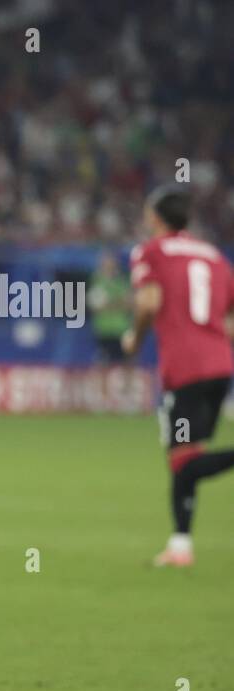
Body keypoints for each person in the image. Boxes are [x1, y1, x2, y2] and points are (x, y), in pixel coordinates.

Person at [122, 186, 234, 567]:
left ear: (154, 217)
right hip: (220, 369)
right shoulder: (215, 256)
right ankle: (181, 545)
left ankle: (180, 544)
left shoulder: (150, 252)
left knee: (183, 463)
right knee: (191, 458)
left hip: (186, 371)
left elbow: (149, 301)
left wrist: (134, 339)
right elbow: (229, 320)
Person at [88, 251, 132, 365]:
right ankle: (102, 384)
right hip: (103, 330)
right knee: (103, 363)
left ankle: (128, 383)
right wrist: (118, 303)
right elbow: (95, 307)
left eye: (110, 262)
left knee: (128, 361)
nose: (108, 265)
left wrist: (109, 304)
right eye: (105, 262)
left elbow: (129, 304)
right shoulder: (96, 281)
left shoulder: (122, 282)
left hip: (121, 328)